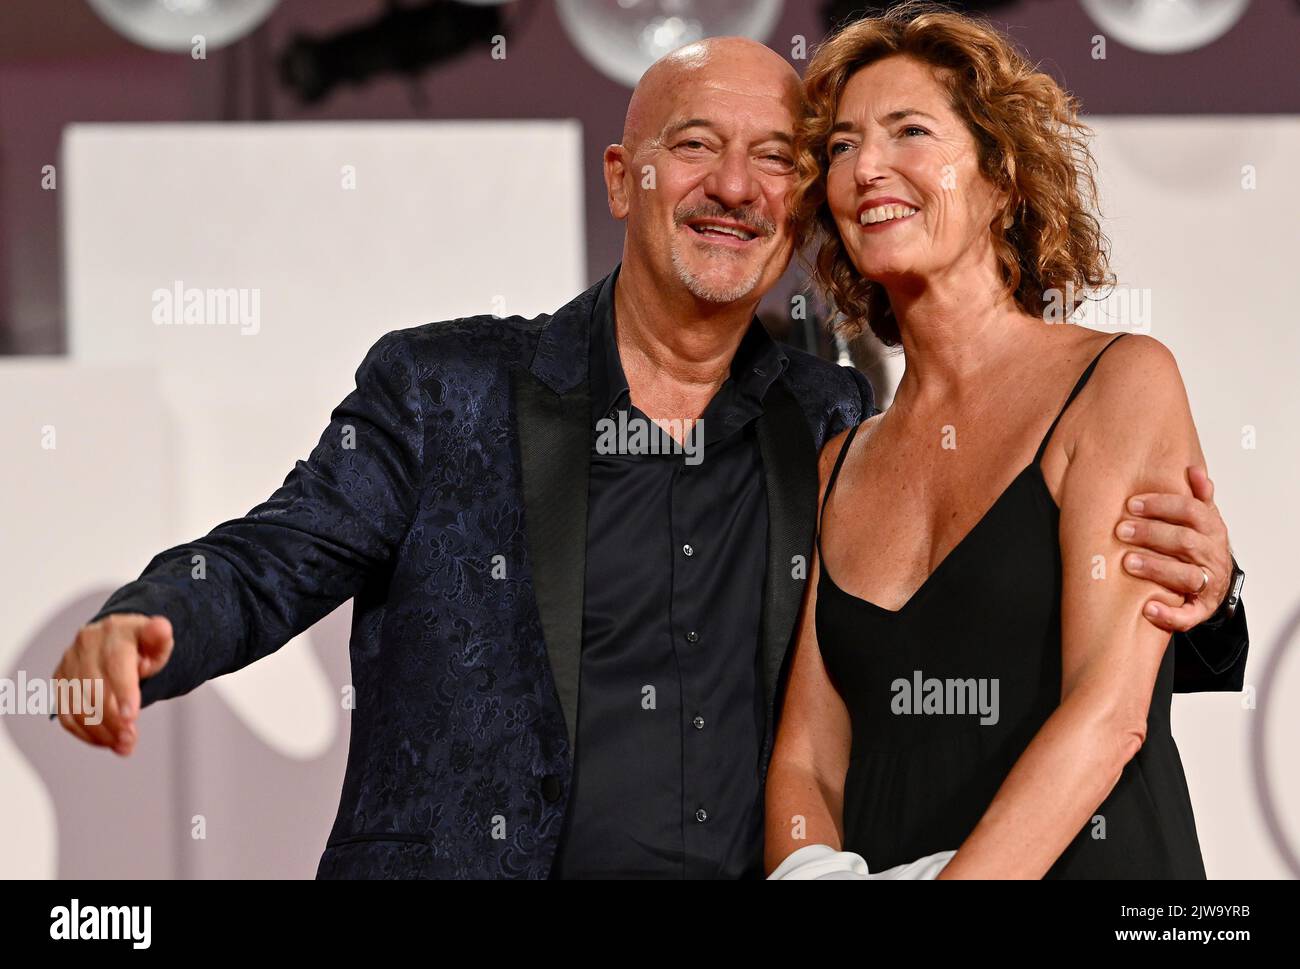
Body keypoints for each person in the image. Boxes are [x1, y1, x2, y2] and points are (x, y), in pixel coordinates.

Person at [53, 34, 1244, 880]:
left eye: (778, 155)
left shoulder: (822, 421)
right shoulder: (448, 390)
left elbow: (995, 617)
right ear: (623, 179)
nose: (734, 186)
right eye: (693, 147)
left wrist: (1207, 594)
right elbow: (276, 553)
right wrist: (152, 618)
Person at [765, 5, 1243, 880]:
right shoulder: (837, 463)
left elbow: (1111, 716)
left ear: (1004, 177)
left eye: (910, 131)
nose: (867, 167)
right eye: (840, 146)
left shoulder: (1121, 381)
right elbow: (806, 762)